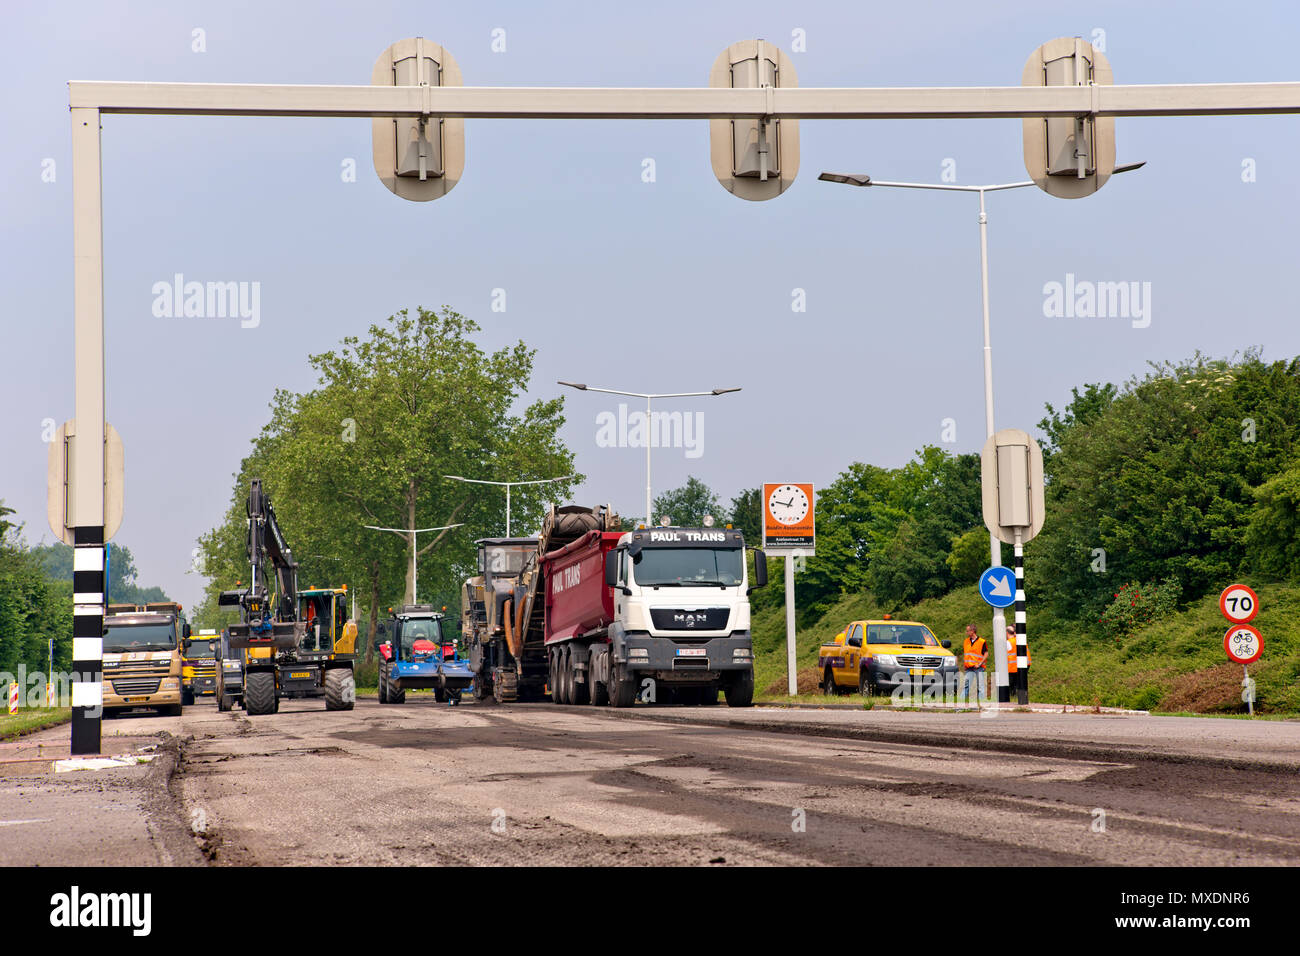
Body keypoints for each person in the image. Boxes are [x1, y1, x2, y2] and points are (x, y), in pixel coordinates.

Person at [958, 624, 987, 706]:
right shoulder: (966, 641)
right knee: (966, 685)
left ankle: (981, 703)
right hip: (969, 667)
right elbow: (966, 654)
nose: (966, 632)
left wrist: (980, 663)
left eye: (968, 631)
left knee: (980, 686)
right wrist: (965, 664)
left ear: (973, 631)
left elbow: (986, 654)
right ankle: (961, 702)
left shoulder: (982, 642)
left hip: (978, 667)